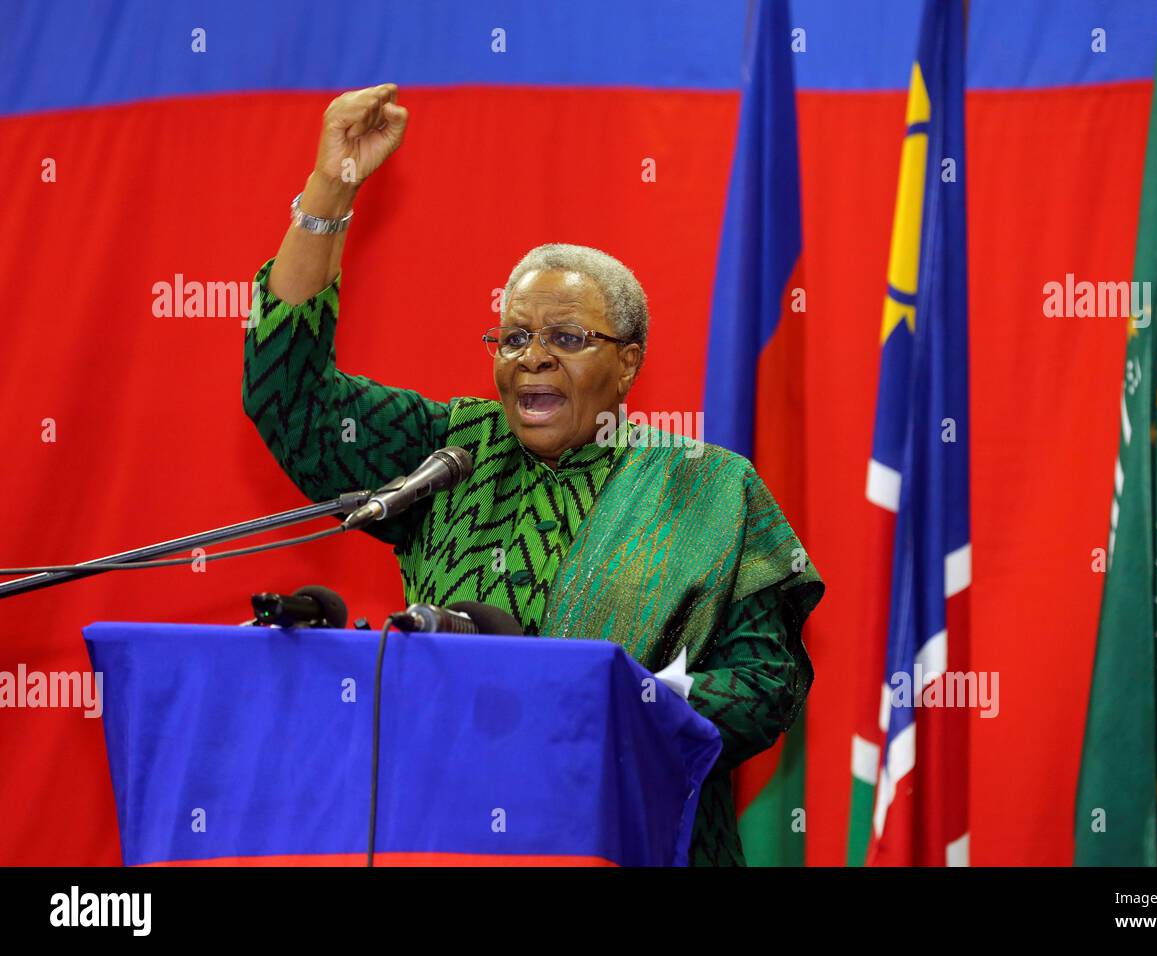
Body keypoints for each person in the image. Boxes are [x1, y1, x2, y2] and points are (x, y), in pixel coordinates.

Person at [241, 84, 824, 865]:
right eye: (513, 336)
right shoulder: (450, 453)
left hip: (635, 836)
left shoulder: (706, 486)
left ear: (628, 363)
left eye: (567, 336)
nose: (533, 356)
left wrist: (608, 709)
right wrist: (331, 189)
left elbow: (766, 683)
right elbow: (293, 400)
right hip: (446, 833)